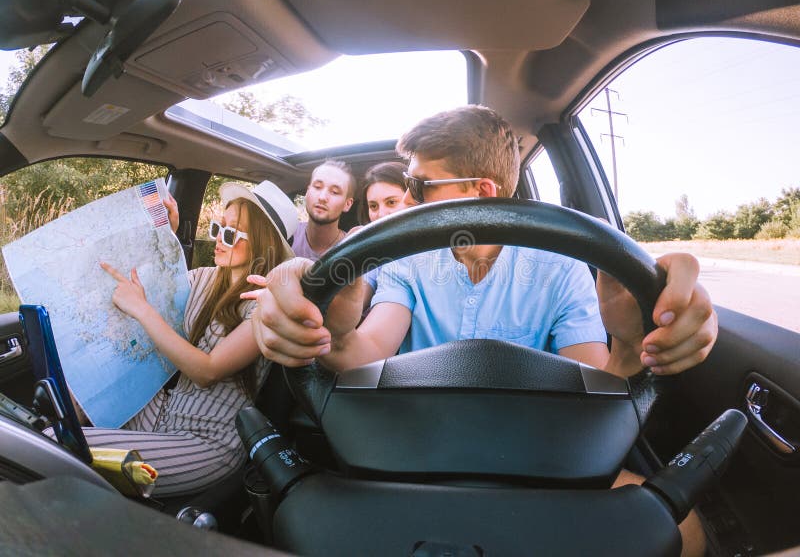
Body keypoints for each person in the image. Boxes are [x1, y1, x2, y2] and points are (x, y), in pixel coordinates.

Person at [246, 106, 716, 556]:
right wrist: (336, 334)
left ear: (482, 192)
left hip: (533, 457)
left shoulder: (561, 268)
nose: (405, 201)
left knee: (683, 529)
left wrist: (634, 344)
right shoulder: (404, 259)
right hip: (408, 450)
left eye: (419, 184)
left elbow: (594, 397)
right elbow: (368, 350)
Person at [83, 180, 297, 498]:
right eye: (218, 227)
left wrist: (141, 309)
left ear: (262, 243)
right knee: (76, 394)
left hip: (205, 441)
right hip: (163, 415)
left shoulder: (267, 305)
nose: (218, 240)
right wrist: (164, 235)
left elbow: (207, 371)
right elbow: (153, 287)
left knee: (69, 446)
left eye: (231, 232)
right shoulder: (203, 278)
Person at [352, 161, 408, 307]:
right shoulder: (374, 254)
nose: (381, 214)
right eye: (373, 206)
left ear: (412, 199)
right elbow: (355, 303)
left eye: (391, 202)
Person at [292, 159, 356, 260]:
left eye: (334, 192)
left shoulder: (353, 249)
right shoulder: (286, 236)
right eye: (317, 187)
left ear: (347, 204)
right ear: (307, 192)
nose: (322, 197)